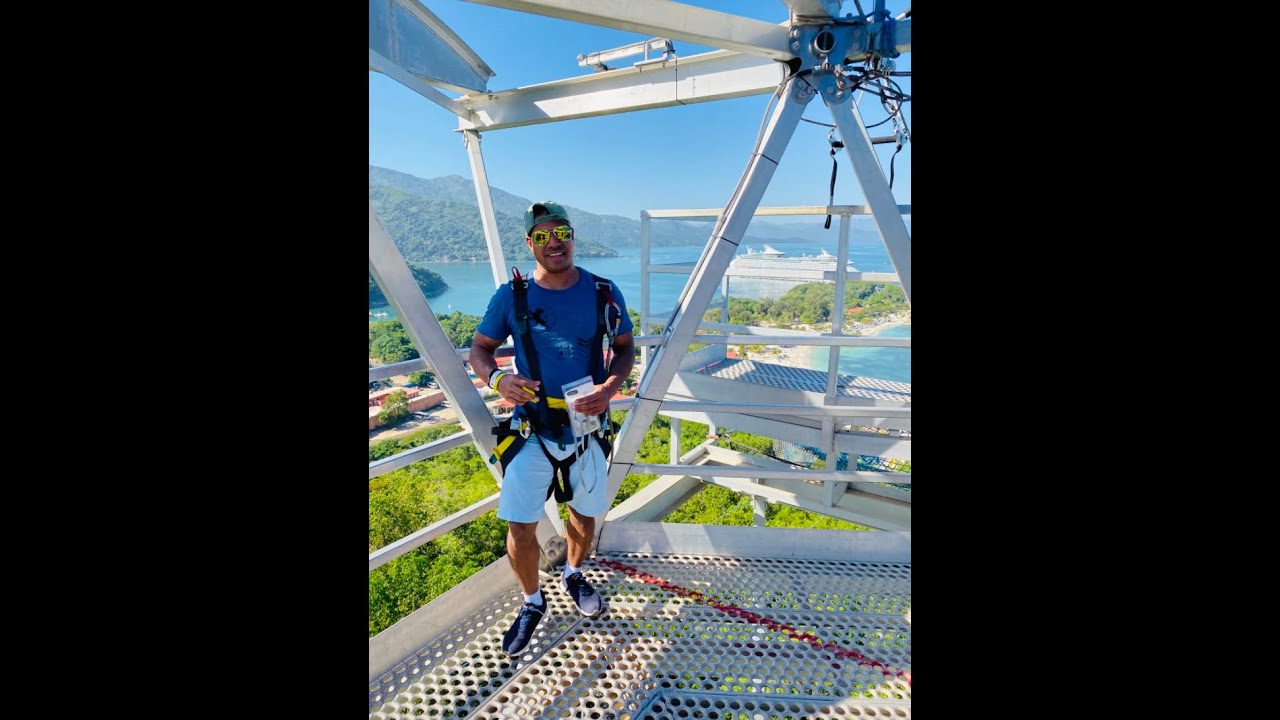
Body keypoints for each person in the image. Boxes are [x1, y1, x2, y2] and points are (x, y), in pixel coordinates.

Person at [468, 201, 635, 657]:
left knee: (583, 515)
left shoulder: (603, 291)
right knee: (520, 527)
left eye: (559, 232)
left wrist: (610, 386)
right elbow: (480, 349)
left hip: (587, 427)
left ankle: (573, 575)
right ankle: (531, 601)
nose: (553, 242)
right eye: (541, 236)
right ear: (530, 244)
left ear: (573, 235)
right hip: (532, 429)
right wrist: (499, 379)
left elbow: (624, 348)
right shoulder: (512, 297)